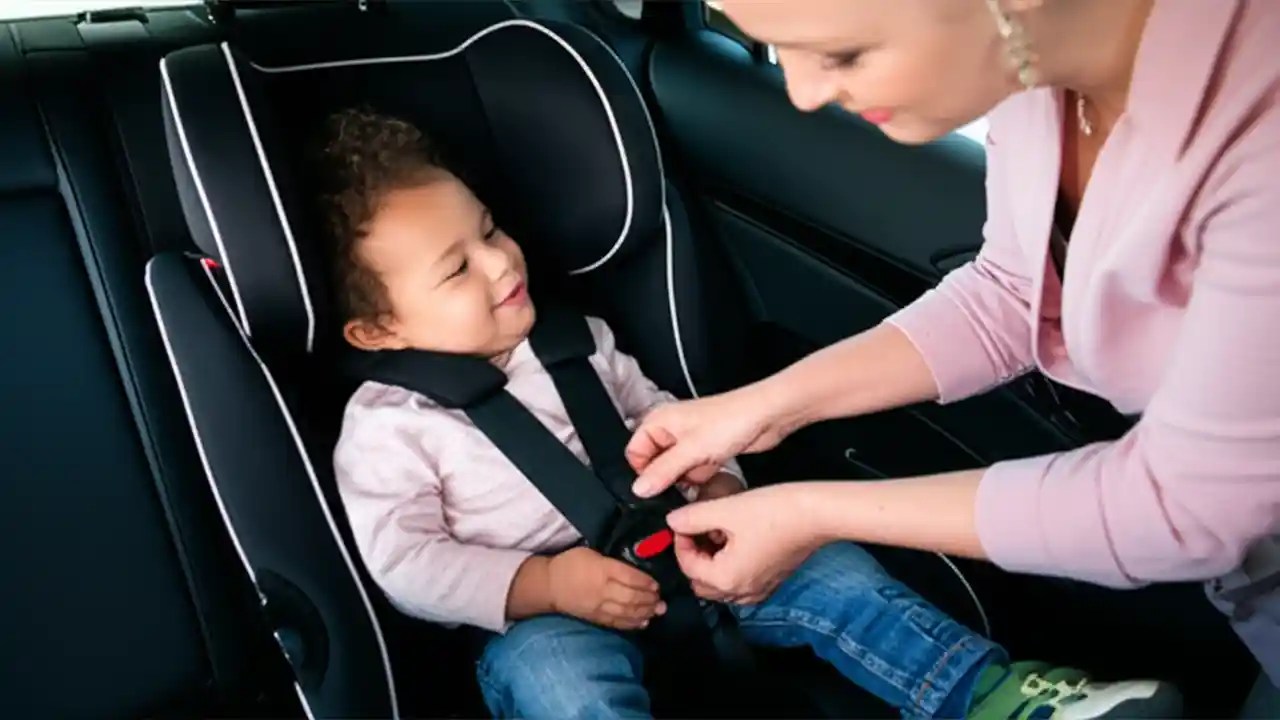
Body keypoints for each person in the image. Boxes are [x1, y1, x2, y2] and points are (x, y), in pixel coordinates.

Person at [317, 107, 1178, 719]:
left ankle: (982, 693)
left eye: (491, 230)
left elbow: (653, 413)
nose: (500, 261)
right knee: (559, 692)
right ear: (379, 329)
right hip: (548, 618)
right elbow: (406, 560)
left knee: (836, 572)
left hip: (687, 547)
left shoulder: (575, 339)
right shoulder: (389, 425)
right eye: (456, 270)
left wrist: (717, 480)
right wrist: (539, 587)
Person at [624, 0, 1280, 684]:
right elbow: (1015, 292)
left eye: (844, 55)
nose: (803, 93)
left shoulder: (1262, 132)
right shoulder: (1032, 64)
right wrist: (767, 405)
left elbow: (1181, 507)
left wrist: (807, 513)